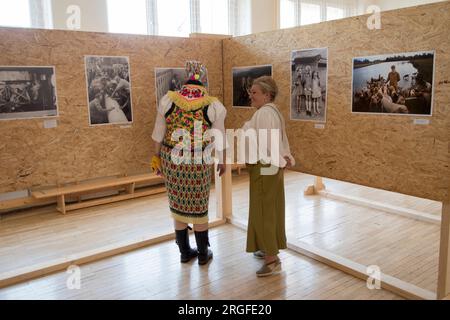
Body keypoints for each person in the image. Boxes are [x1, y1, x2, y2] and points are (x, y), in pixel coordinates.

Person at [151, 61, 227, 265]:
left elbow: (159, 133)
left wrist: (156, 157)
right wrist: (223, 161)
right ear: (203, 80)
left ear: (185, 79)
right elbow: (219, 137)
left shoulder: (168, 99)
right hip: (198, 160)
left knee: (177, 204)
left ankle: (185, 252)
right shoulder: (213, 105)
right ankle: (203, 254)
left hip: (172, 158)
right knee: (199, 206)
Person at [242, 76, 295, 277]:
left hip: (264, 167)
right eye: (251, 92)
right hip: (269, 167)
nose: (251, 95)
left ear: (267, 95)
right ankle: (268, 248)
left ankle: (272, 260)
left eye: (255, 92)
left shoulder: (265, 113)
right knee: (269, 209)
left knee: (264, 212)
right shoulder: (272, 112)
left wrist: (280, 161)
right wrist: (285, 158)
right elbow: (281, 141)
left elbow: (267, 144)